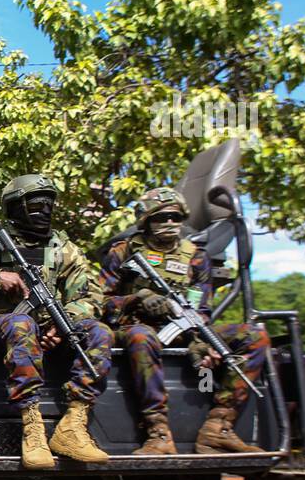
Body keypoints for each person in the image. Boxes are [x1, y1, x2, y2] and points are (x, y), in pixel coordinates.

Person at [0, 174, 113, 469]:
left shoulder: (64, 249)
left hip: (52, 329)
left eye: (51, 204)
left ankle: (73, 424)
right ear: (16, 207)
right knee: (20, 324)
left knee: (99, 332)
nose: (47, 211)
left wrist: (62, 327)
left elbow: (90, 297)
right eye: (39, 204)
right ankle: (32, 426)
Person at [99, 186, 271, 454]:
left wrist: (200, 341)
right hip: (137, 329)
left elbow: (202, 308)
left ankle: (219, 427)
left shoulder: (196, 256)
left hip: (184, 327)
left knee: (254, 334)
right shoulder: (123, 251)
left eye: (176, 218)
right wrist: (138, 299)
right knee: (141, 336)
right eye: (162, 217)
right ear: (146, 220)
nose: (170, 223)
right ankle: (158, 432)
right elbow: (100, 303)